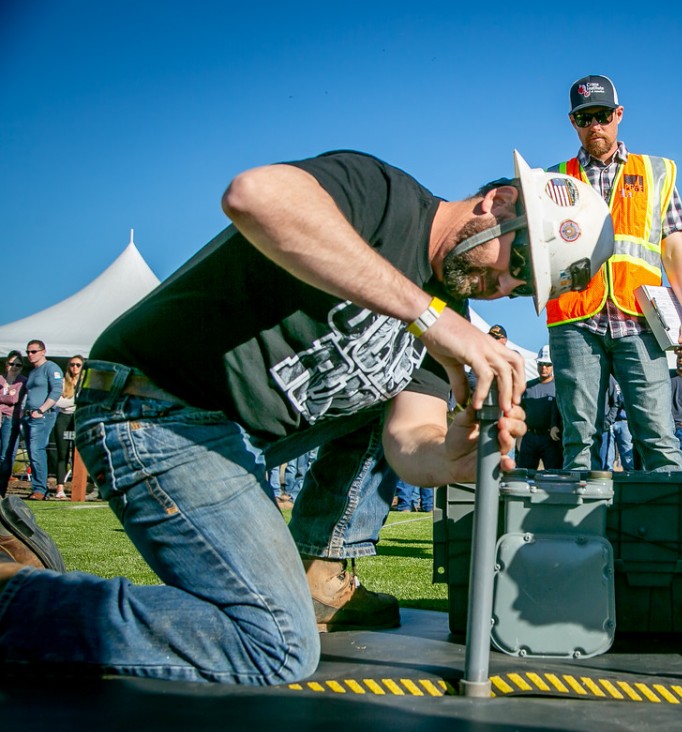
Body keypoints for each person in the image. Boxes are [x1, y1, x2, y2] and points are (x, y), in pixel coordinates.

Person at [0, 148, 613, 684]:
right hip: (153, 406)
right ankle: (15, 599)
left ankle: (322, 564)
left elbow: (407, 440)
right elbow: (254, 196)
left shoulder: (446, 319)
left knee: (271, 624)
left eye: (522, 289)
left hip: (231, 440)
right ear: (499, 203)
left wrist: (448, 454)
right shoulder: (385, 198)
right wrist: (426, 316)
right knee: (276, 645)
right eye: (520, 262)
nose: (503, 286)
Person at [546, 74, 682, 472]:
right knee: (580, 439)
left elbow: (674, 250)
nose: (594, 126)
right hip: (575, 321)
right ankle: (581, 515)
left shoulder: (655, 172)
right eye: (585, 118)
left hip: (640, 320)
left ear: (618, 115)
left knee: (658, 436)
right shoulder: (552, 180)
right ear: (573, 122)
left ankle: (668, 513)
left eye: (602, 115)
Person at [19, 340, 62, 502]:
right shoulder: (33, 372)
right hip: (28, 416)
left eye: (34, 351)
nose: (30, 355)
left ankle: (40, 490)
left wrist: (41, 410)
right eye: (28, 352)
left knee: (37, 450)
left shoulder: (51, 368)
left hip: (42, 416)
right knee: (32, 452)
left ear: (43, 351)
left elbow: (57, 391)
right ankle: (38, 488)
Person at [516, 346, 562, 470]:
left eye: (547, 364)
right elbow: (520, 411)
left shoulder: (559, 387)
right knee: (524, 473)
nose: (544, 368)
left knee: (553, 474)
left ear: (553, 366)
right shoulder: (528, 386)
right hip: (529, 437)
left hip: (550, 438)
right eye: (541, 364)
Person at [49, 355, 84, 499]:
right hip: (64, 418)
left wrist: (71, 402)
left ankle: (78, 487)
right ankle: (60, 488)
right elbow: (58, 402)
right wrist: (76, 402)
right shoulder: (63, 382)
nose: (74, 367)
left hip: (79, 419)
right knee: (62, 454)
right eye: (72, 364)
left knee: (78, 454)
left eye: (78, 365)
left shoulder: (85, 382)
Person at [0, 352, 27, 497]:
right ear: (6, 364)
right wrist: (7, 395)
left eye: (18, 365)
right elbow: (10, 398)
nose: (14, 367)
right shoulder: (0, 378)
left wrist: (5, 395)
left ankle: (1, 488)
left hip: (11, 419)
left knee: (6, 455)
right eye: (12, 364)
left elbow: (14, 400)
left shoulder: (23, 382)